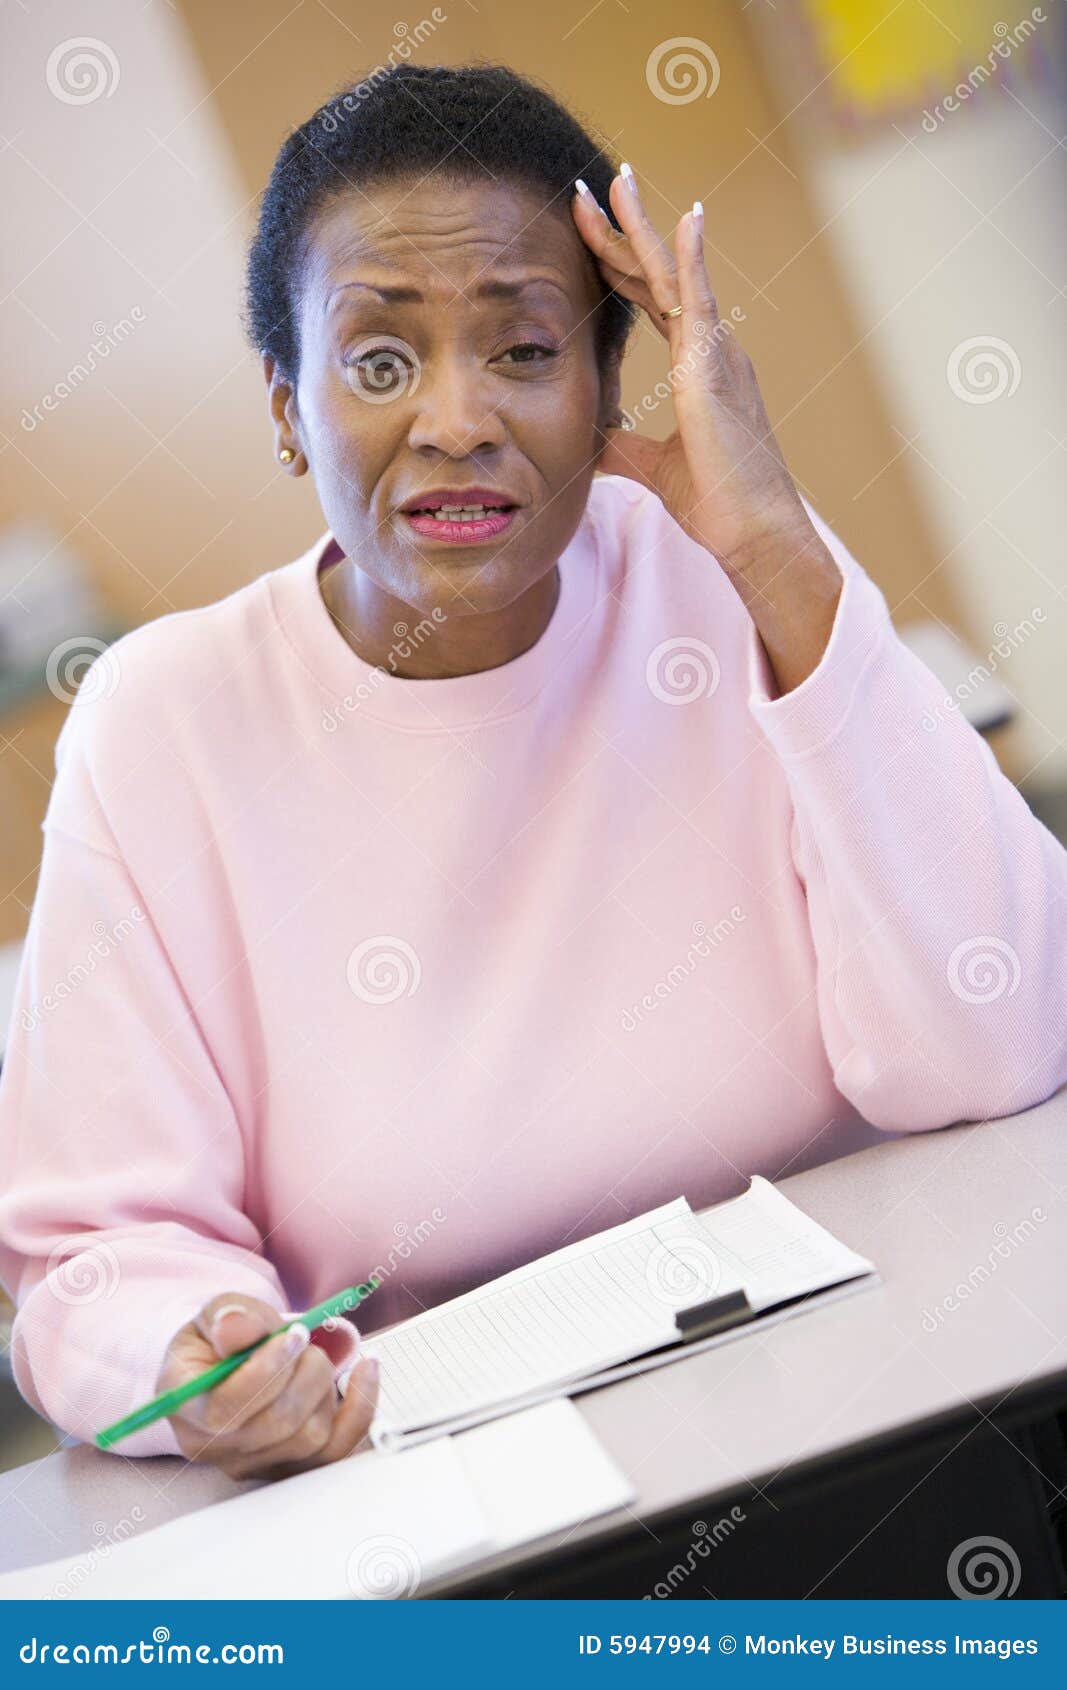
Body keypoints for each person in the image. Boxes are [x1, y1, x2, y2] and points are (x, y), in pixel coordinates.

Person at [1, 64, 1064, 1482]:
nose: (457, 420)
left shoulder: (733, 575)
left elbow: (1006, 1039)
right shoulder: (163, 722)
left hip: (891, 1392)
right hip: (459, 1485)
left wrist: (775, 548)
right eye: (380, 362)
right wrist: (194, 1351)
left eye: (522, 350)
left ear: (609, 386)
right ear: (287, 404)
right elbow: (93, 1254)